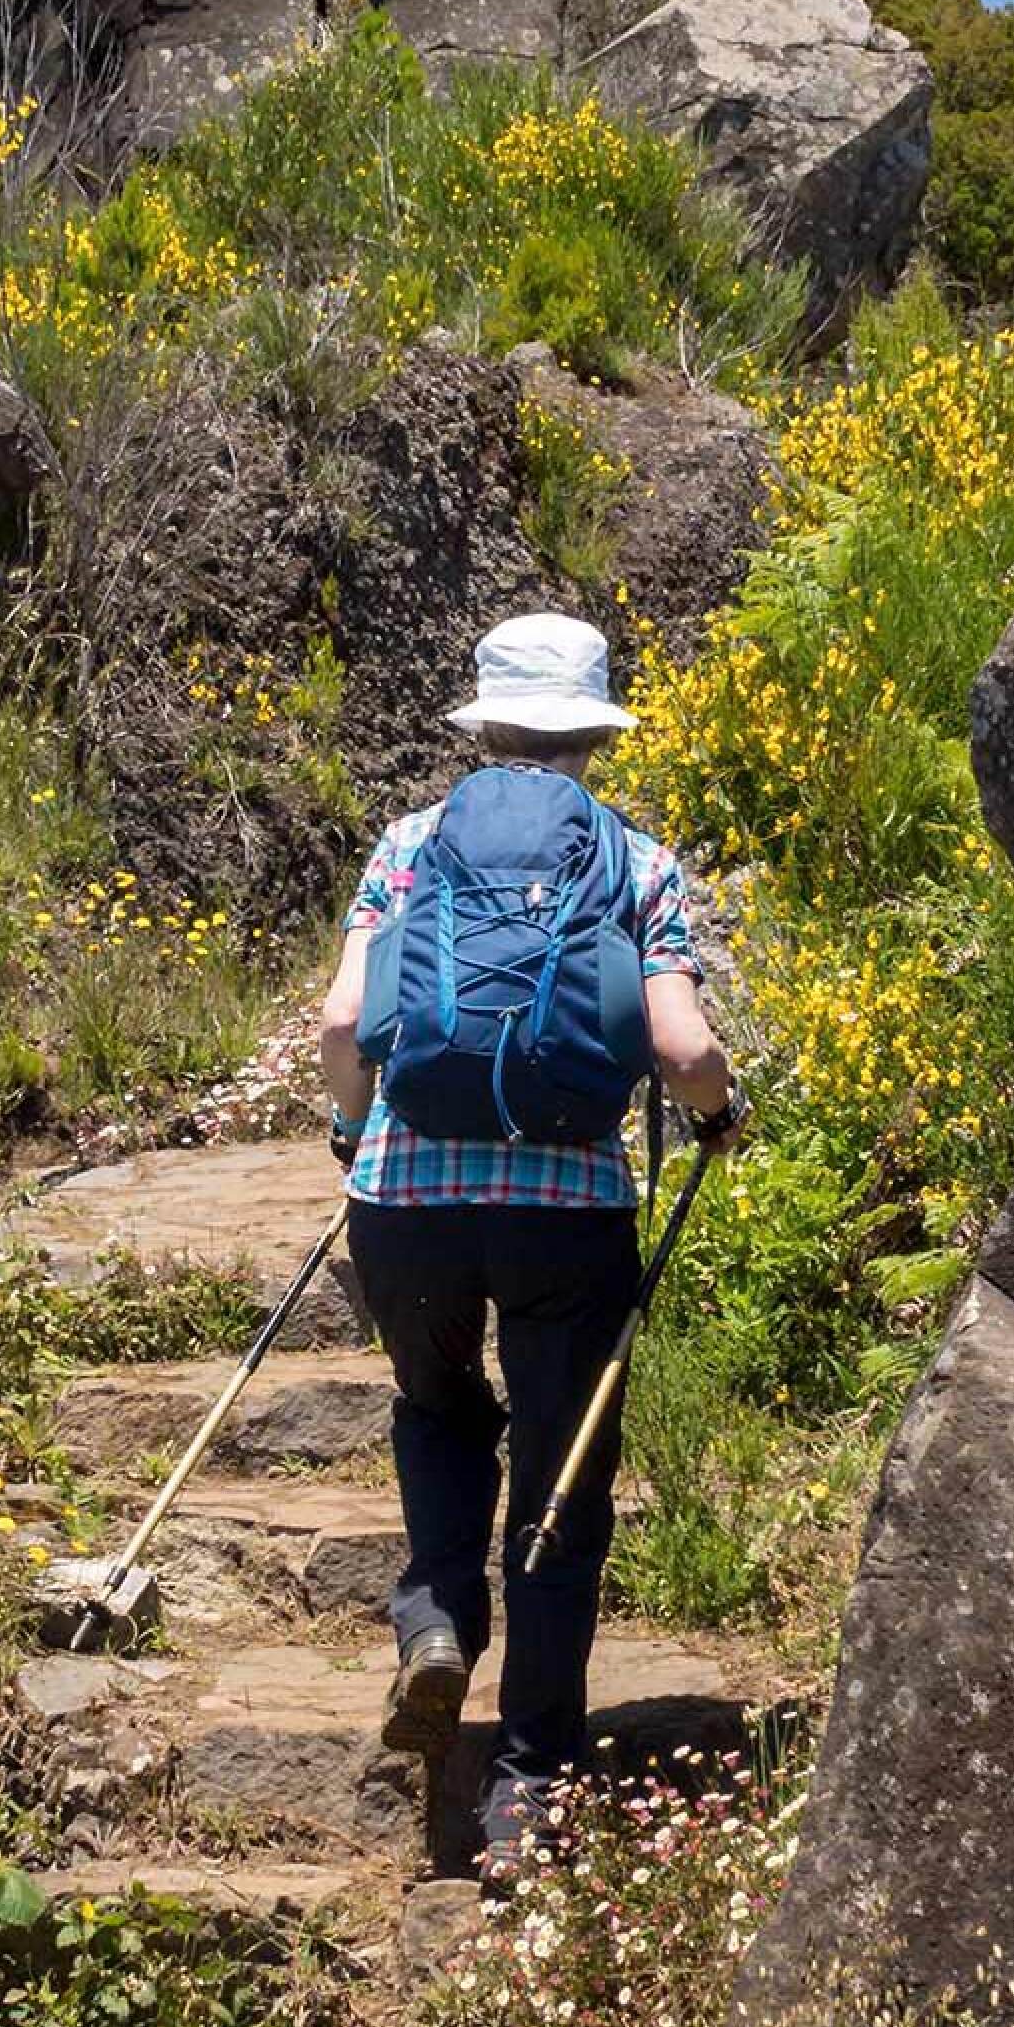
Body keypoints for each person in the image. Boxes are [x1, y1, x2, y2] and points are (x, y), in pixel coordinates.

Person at [316, 610, 745, 1874]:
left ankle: (441, 1617)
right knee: (563, 1486)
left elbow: (346, 1023)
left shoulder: (410, 843)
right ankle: (528, 1789)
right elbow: (685, 1051)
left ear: (488, 721)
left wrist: (357, 1137)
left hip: (410, 1206)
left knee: (441, 1408)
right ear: (594, 733)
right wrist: (718, 1121)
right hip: (568, 1220)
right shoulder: (635, 860)